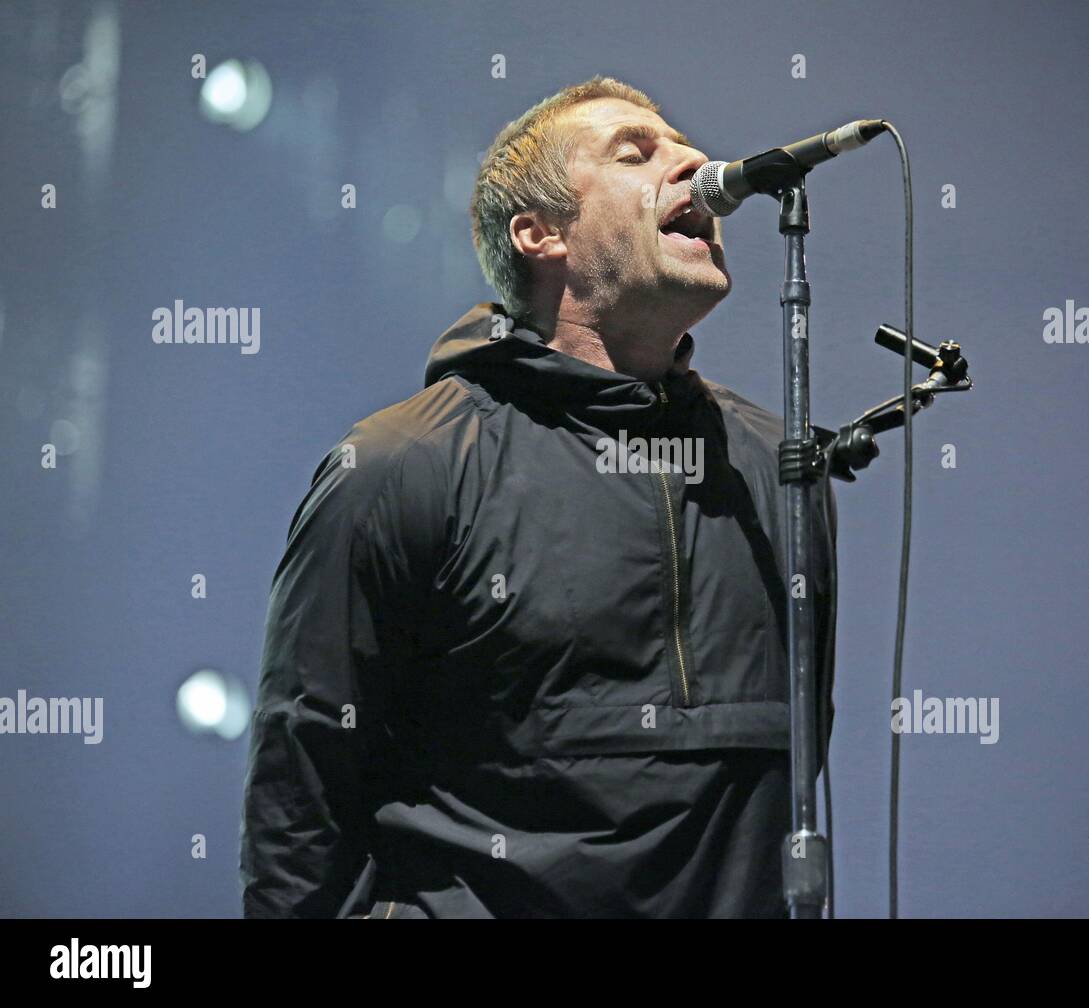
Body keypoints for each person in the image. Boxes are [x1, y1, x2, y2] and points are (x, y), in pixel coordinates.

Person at [239, 75, 837, 918]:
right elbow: (301, 793)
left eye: (680, 144)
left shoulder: (778, 466)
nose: (695, 162)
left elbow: (793, 769)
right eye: (636, 151)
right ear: (538, 232)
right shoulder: (398, 466)